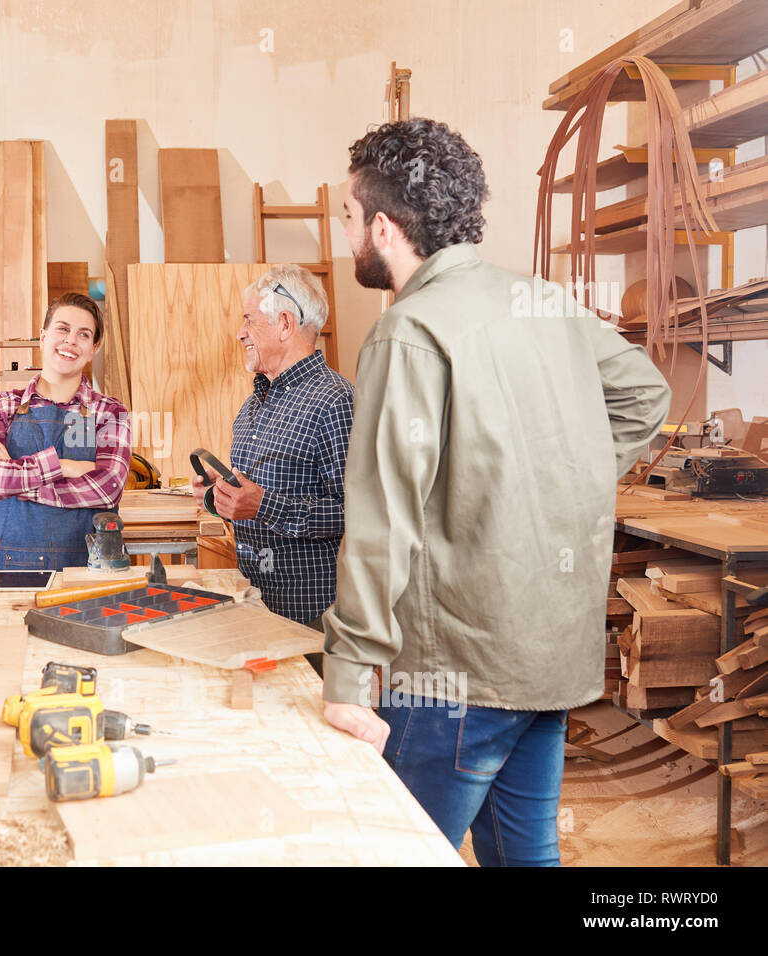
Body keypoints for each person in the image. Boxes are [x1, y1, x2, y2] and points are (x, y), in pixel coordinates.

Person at [320, 118, 671, 866]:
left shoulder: (407, 330)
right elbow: (646, 392)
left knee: (402, 853)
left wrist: (349, 674)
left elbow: (382, 521)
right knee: (524, 857)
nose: (342, 231)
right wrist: (559, 478)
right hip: (549, 657)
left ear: (383, 227)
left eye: (347, 216)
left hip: (457, 668)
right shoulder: (539, 301)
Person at [191, 265, 354, 633]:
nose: (239, 333)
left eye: (249, 320)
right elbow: (251, 506)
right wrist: (221, 498)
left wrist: (264, 504)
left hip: (311, 616)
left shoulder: (335, 401)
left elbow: (359, 515)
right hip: (256, 603)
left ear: (284, 324)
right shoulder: (253, 405)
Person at [0, 293, 132, 570]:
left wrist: (13, 477)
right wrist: (64, 466)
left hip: (88, 568)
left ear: (94, 348)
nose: (70, 340)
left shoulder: (110, 412)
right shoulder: (2, 405)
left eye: (83, 334)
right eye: (63, 329)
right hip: (11, 565)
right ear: (43, 337)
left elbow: (107, 489)